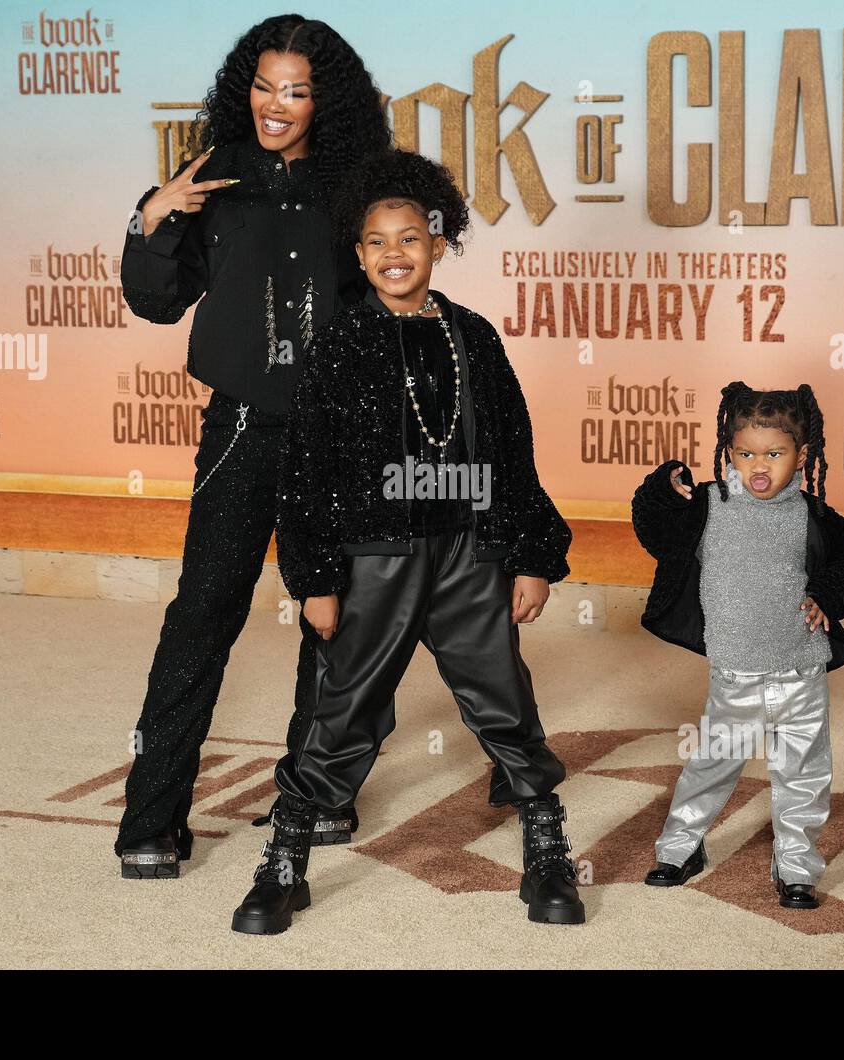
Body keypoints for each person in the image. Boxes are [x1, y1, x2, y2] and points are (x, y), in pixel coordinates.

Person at [229, 148, 585, 934]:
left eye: (411, 238)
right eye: (377, 241)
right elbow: (308, 468)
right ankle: (288, 857)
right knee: (344, 707)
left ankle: (545, 841)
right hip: (372, 556)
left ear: (440, 242)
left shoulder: (475, 338)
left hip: (468, 548)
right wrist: (315, 575)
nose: (395, 254)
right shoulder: (341, 343)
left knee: (504, 699)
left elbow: (511, 449)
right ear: (357, 255)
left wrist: (528, 553)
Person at [114, 15, 391, 879]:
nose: (277, 105)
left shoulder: (360, 184)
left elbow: (396, 289)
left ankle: (317, 793)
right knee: (202, 615)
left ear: (325, 101)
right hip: (240, 426)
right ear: (247, 86)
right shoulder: (214, 175)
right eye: (266, 85)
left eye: (298, 91)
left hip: (340, 430)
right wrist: (153, 214)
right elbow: (157, 302)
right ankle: (150, 824)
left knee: (335, 617)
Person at [632, 381, 844, 909]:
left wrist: (828, 595)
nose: (758, 466)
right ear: (728, 452)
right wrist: (659, 487)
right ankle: (679, 848)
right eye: (745, 453)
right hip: (735, 673)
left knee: (804, 773)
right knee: (711, 764)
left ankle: (797, 867)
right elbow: (655, 530)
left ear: (801, 456)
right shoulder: (710, 505)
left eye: (774, 453)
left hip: (801, 670)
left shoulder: (813, 516)